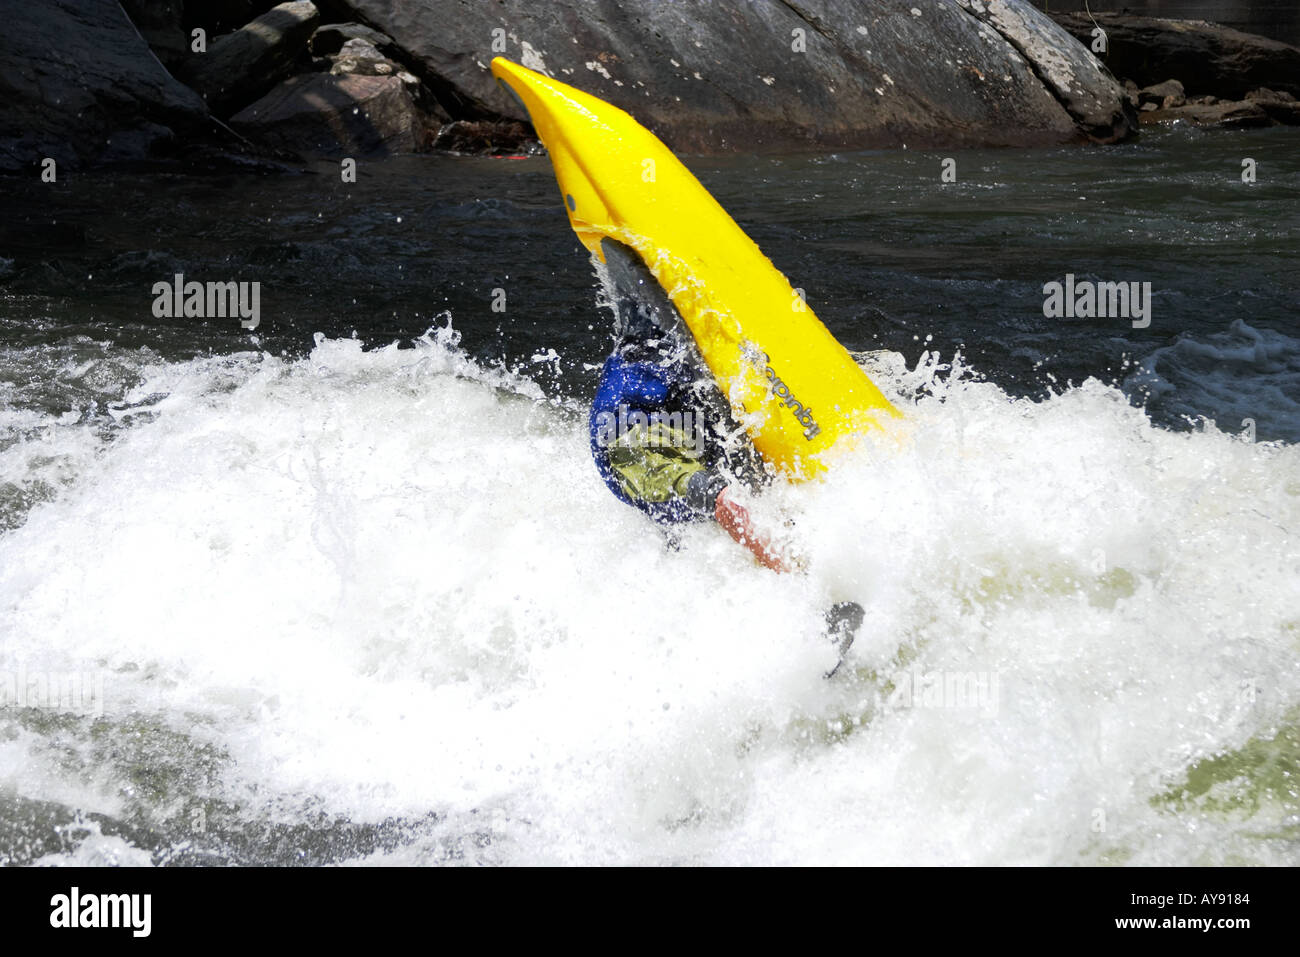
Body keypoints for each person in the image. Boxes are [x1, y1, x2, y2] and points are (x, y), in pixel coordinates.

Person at [588, 241, 791, 572]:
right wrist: (792, 573)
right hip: (664, 431)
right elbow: (728, 505)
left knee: (641, 311)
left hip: (644, 371)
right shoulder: (677, 478)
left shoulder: (632, 442)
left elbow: (725, 506)